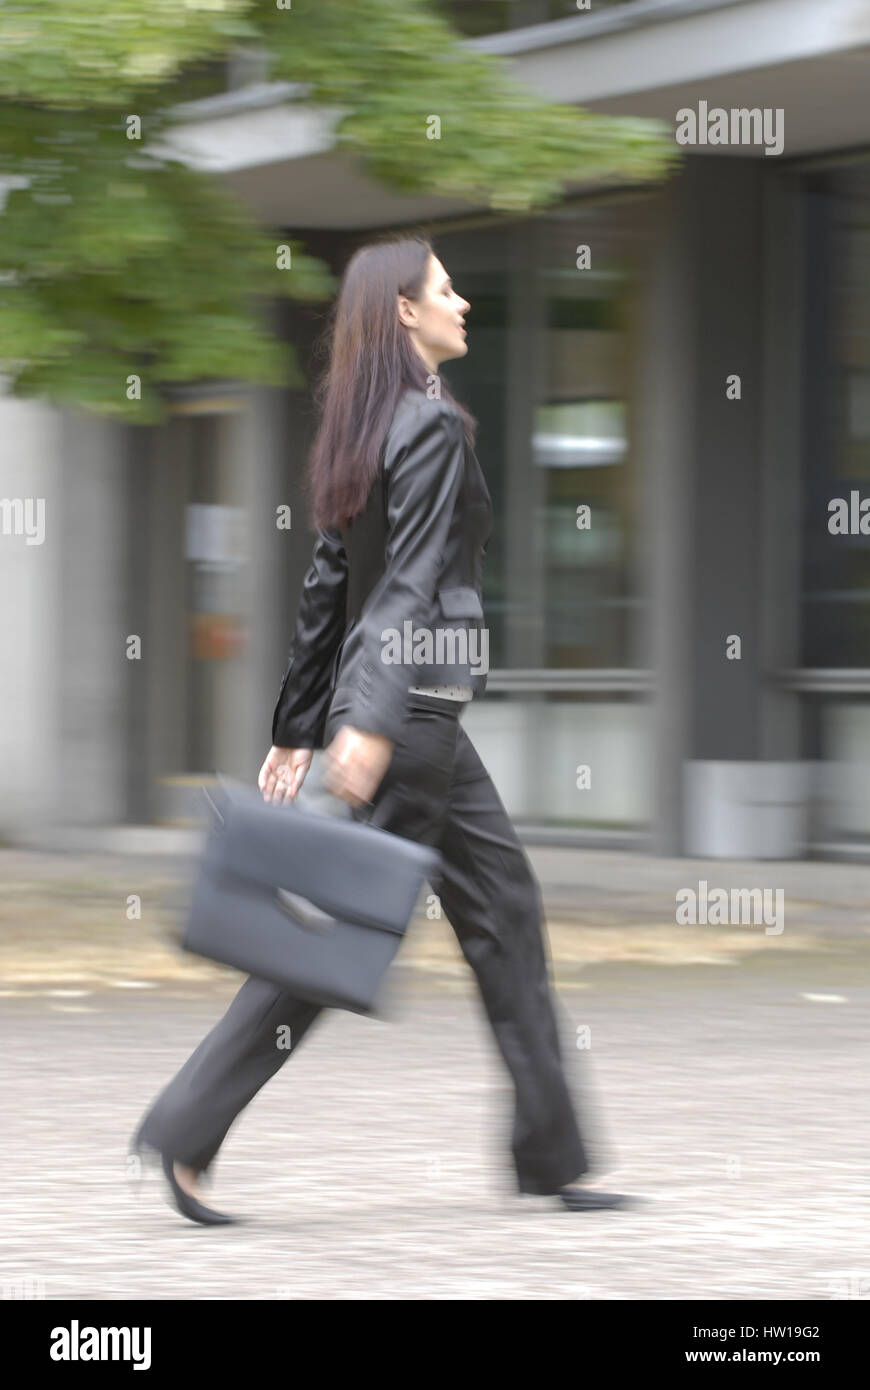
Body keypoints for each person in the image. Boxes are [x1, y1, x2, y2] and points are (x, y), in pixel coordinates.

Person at [131, 233, 629, 1223]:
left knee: (502, 913)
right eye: (447, 290)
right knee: (342, 936)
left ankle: (552, 1154)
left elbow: (328, 588)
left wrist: (298, 723)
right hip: (413, 715)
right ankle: (187, 1133)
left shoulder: (363, 429)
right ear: (404, 310)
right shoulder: (433, 425)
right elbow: (402, 589)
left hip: (418, 713)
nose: (465, 304)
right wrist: (355, 721)